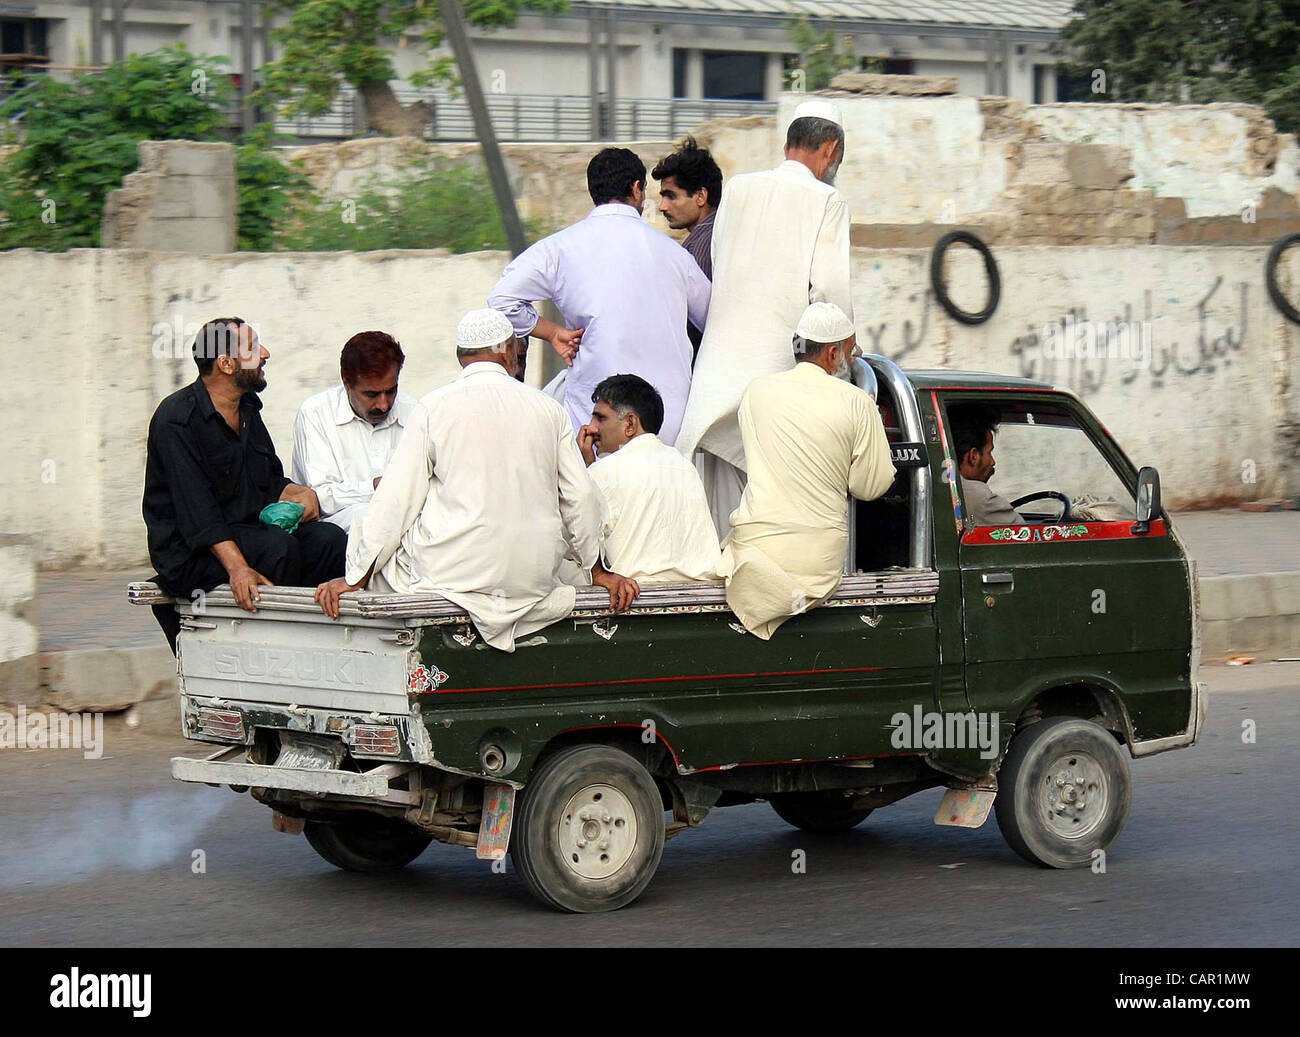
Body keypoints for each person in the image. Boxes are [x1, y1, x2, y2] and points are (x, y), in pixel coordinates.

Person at [315, 310, 638, 652]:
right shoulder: (549, 409)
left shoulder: (434, 406)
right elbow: (581, 499)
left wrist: (356, 579)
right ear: (507, 351)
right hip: (531, 578)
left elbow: (395, 501)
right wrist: (599, 572)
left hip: (456, 575)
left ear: (462, 357)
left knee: (374, 531)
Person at [675, 100, 854, 536]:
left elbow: (719, 263)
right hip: (777, 378)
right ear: (830, 150)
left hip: (715, 379)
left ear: (788, 143)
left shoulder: (737, 189)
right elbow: (829, 292)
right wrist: (846, 343)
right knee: (773, 519)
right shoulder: (826, 199)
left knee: (719, 521)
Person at [142, 317, 347, 653]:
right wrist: (238, 569)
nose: (265, 353)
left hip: (244, 530)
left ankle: (320, 644)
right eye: (253, 348)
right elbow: (199, 513)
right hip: (190, 552)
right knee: (278, 549)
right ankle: (271, 652)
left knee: (329, 540)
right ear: (226, 363)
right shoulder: (176, 420)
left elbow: (267, 479)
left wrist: (301, 494)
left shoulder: (248, 408)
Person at [487, 147, 711, 445]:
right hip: (667, 422)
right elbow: (712, 316)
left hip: (596, 423)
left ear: (593, 191)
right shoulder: (674, 254)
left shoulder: (559, 248)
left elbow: (501, 301)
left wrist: (553, 333)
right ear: (636, 189)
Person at [718, 303, 895, 640]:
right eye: (851, 349)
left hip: (755, 550)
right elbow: (870, 486)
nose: (854, 357)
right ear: (832, 353)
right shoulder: (856, 401)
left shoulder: (756, 392)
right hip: (816, 564)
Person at [577, 373, 720, 585]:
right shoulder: (684, 466)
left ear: (630, 424)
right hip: (700, 596)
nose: (591, 428)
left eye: (600, 417)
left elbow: (577, 538)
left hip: (630, 598)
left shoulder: (602, 471)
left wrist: (583, 470)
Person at [290, 331, 417, 532]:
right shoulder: (315, 413)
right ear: (347, 383)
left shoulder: (415, 411)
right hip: (333, 531)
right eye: (372, 394)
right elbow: (320, 496)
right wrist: (379, 487)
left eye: (391, 391)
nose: (383, 404)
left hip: (406, 523)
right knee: (373, 518)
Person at [652, 136, 723, 356]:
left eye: (671, 196)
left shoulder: (698, 249)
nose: (663, 207)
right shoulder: (719, 233)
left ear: (701, 196)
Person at [951, 404, 1026, 527]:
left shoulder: (940, 487)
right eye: (989, 452)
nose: (993, 462)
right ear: (973, 456)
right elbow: (1027, 537)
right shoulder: (979, 498)